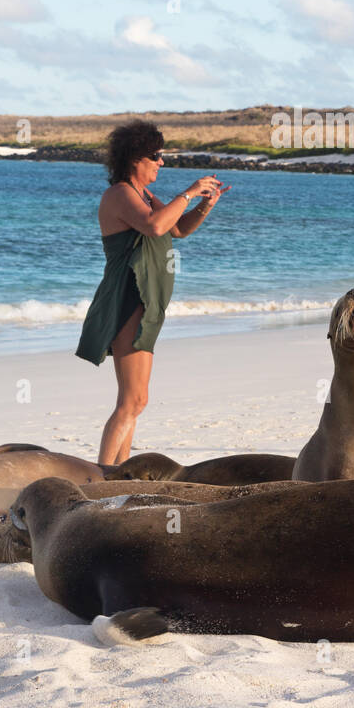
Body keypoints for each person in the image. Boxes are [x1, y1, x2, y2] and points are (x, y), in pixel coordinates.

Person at [75, 120, 230, 464]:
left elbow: (177, 229)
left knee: (137, 400)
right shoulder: (120, 194)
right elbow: (154, 225)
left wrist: (206, 204)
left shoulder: (143, 195)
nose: (162, 162)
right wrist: (188, 192)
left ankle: (120, 474)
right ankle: (102, 475)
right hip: (129, 297)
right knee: (130, 401)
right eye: (157, 155)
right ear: (135, 158)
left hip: (148, 302)